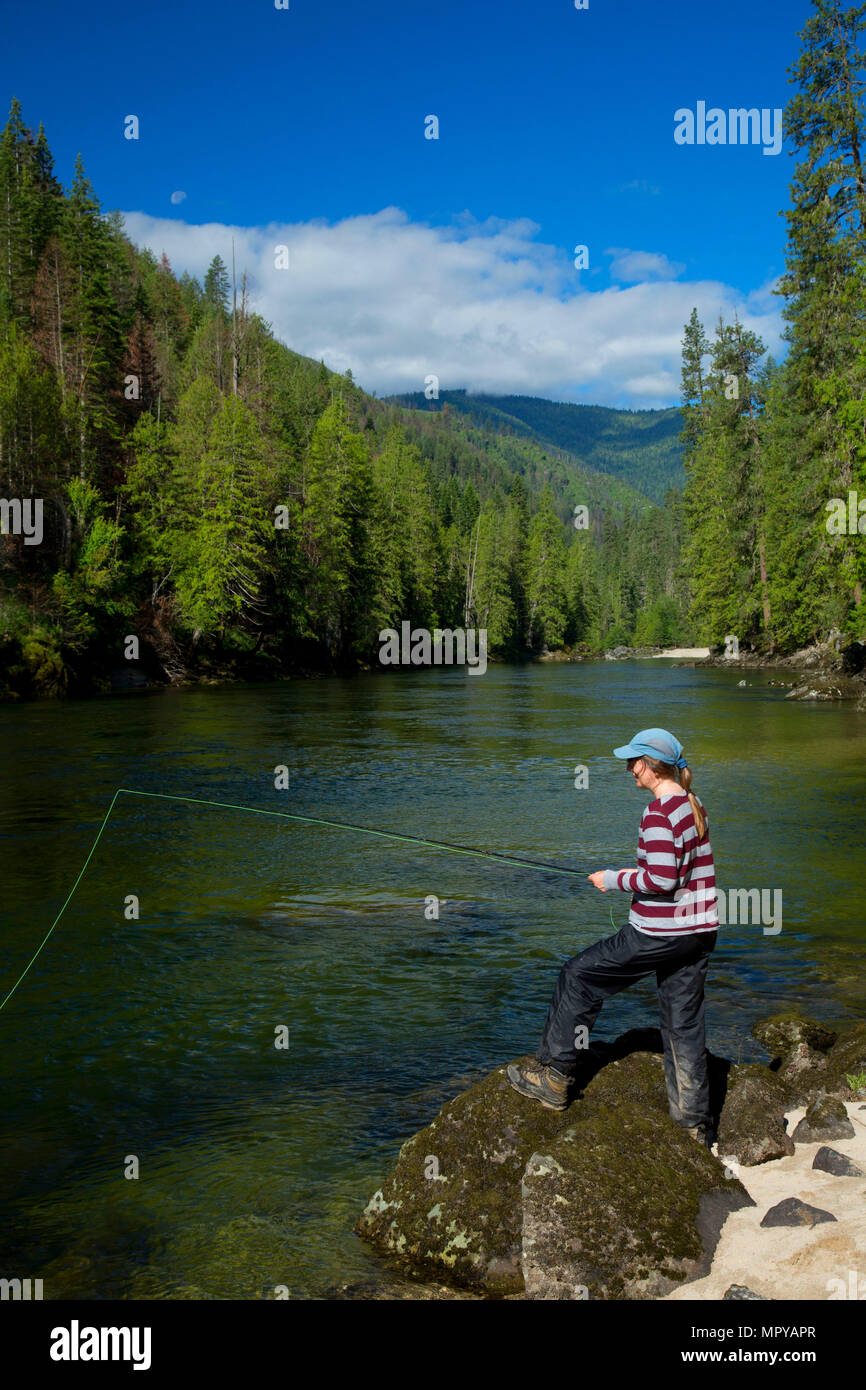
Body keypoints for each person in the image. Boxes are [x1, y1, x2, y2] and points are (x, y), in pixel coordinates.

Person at [507, 728, 719, 1146]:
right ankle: (692, 1124)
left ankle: (554, 1078)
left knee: (578, 976)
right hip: (699, 932)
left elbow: (660, 878)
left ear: (647, 765)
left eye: (632, 762)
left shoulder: (658, 812)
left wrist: (612, 878)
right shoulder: (692, 804)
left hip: (660, 932)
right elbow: (678, 871)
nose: (628, 770)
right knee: (683, 1025)